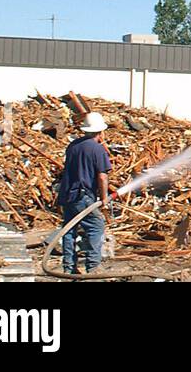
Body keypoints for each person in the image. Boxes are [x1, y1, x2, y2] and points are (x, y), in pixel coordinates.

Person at [57, 111, 113, 274]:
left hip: (68, 194)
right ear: (101, 131)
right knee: (96, 226)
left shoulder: (73, 146)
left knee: (69, 229)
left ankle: (69, 268)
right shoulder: (97, 149)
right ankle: (93, 267)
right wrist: (104, 199)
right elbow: (102, 177)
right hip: (83, 196)